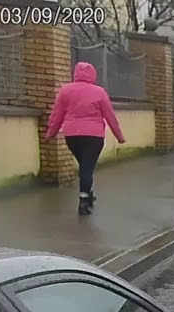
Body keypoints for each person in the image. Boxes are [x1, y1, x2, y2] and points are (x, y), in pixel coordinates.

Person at [44, 61, 126, 216]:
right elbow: (110, 117)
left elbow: (57, 115)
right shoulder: (99, 92)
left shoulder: (65, 90)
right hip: (94, 136)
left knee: (84, 165)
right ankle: (84, 200)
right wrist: (119, 137)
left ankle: (89, 191)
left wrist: (51, 133)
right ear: (93, 74)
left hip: (72, 135)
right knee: (87, 167)